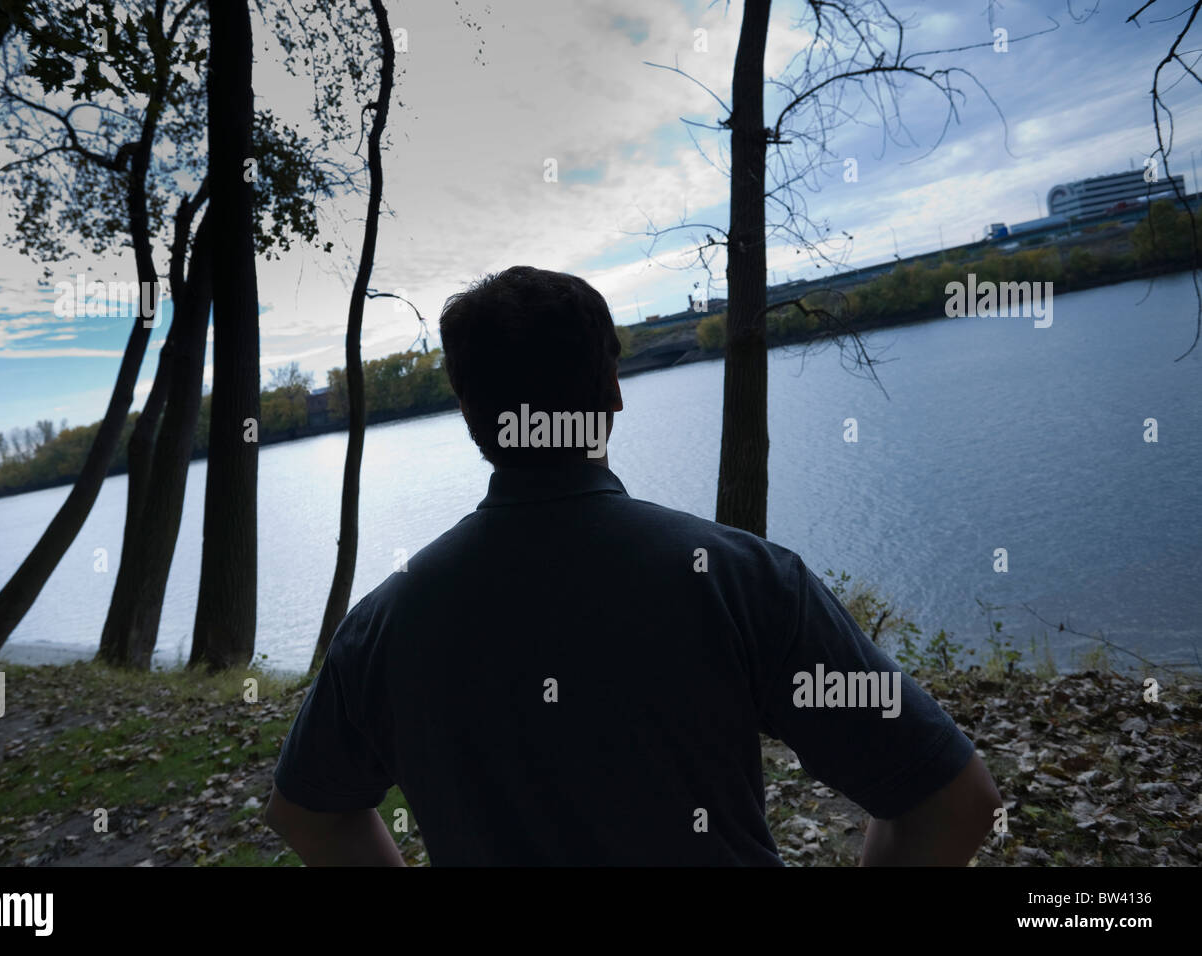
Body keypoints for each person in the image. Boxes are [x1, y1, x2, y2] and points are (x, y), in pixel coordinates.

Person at [265, 265, 1000, 866]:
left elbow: (309, 818)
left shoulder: (385, 627)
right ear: (613, 392)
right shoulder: (745, 581)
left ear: (469, 412)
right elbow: (953, 803)